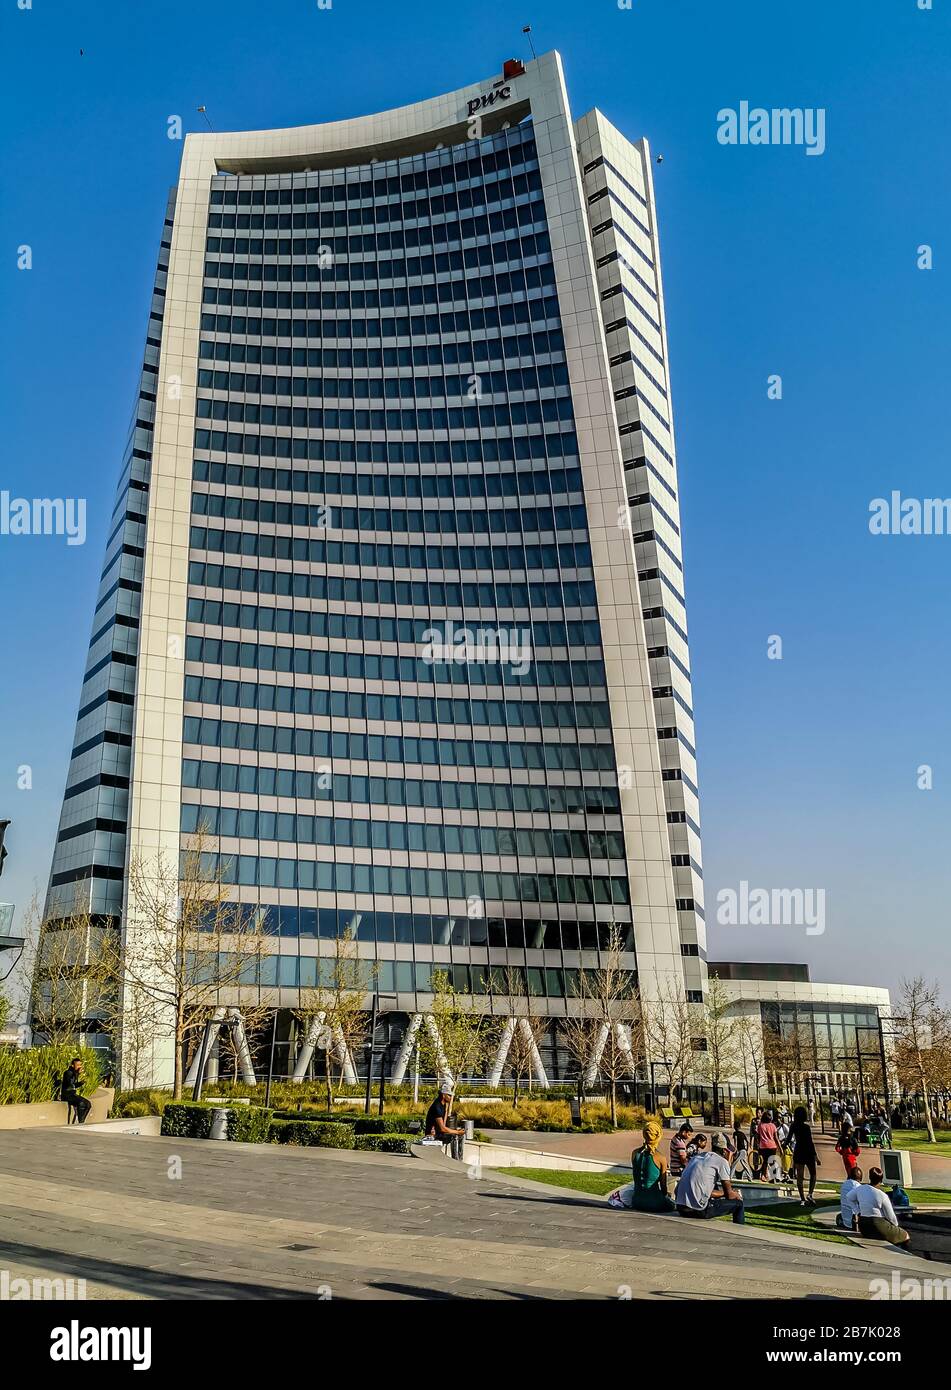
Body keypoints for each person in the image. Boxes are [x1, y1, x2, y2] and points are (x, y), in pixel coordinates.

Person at [674, 1132, 745, 1224]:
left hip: (681, 1207)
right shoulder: (722, 1162)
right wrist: (736, 1194)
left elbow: (706, 1191)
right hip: (698, 1210)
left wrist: (723, 1193)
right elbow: (729, 1195)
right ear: (724, 1150)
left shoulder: (697, 1157)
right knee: (739, 1204)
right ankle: (739, 1231)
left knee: (715, 1189)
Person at [608, 1119, 676, 1213]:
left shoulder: (635, 1153)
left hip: (637, 1201)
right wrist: (666, 1195)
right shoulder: (661, 1158)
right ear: (658, 1137)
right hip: (655, 1203)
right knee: (672, 1204)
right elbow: (663, 1186)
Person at [856, 1167, 910, 1245]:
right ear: (881, 1180)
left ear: (869, 1177)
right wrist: (896, 1227)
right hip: (877, 1225)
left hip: (863, 1226)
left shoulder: (861, 1189)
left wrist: (857, 1210)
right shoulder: (882, 1195)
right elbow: (891, 1217)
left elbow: (849, 1197)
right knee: (905, 1235)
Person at [424, 1084, 465, 1157]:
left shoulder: (442, 1104)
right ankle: (456, 1158)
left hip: (439, 1133)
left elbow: (444, 1123)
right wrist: (457, 1132)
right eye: (449, 1095)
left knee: (459, 1135)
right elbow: (442, 1128)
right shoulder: (437, 1107)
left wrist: (446, 1109)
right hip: (433, 1135)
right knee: (455, 1136)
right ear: (443, 1095)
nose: (451, 1097)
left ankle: (458, 1157)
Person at [789, 1105, 819, 1205]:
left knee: (800, 1177)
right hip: (808, 1152)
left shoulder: (793, 1126)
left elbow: (789, 1139)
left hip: (798, 1151)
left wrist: (783, 1145)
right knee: (813, 1174)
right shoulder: (806, 1127)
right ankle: (810, 1193)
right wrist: (815, 1156)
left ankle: (802, 1198)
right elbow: (810, 1142)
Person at [60, 1057, 91, 1124]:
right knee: (81, 1103)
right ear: (72, 1065)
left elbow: (73, 1085)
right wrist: (77, 1074)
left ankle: (82, 1121)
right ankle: (80, 1122)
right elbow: (69, 1083)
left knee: (88, 1104)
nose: (79, 1067)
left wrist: (81, 1083)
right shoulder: (68, 1073)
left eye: (80, 1065)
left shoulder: (74, 1073)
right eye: (78, 1065)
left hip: (73, 1095)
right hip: (67, 1095)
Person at [756, 1108, 781, 1180]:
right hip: (772, 1146)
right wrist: (780, 1147)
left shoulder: (760, 1125)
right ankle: (774, 1177)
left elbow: (758, 1136)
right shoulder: (773, 1126)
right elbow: (776, 1138)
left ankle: (763, 1175)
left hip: (763, 1146)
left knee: (765, 1161)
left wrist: (758, 1144)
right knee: (772, 1161)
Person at [837, 1165, 863, 1229]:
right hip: (855, 1218)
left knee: (839, 1215)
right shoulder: (859, 1187)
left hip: (845, 1218)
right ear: (860, 1178)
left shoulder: (844, 1184)